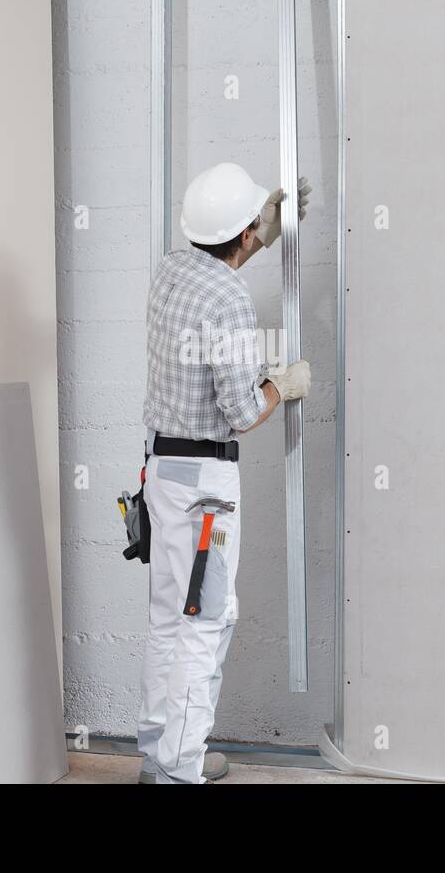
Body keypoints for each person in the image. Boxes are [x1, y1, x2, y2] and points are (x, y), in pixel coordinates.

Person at [136, 162, 312, 784]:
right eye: (253, 231)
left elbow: (212, 276)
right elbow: (239, 412)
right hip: (204, 488)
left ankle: (160, 755)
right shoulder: (231, 300)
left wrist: (252, 237)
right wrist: (280, 386)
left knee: (168, 619)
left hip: (162, 472)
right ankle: (180, 771)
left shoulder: (169, 268)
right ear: (242, 235)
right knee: (204, 625)